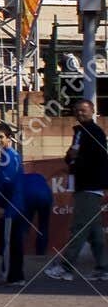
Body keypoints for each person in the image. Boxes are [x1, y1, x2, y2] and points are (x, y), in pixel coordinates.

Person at [52, 97, 108, 281]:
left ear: (92, 111)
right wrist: (72, 157)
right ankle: (103, 268)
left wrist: (78, 158)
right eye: (76, 110)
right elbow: (71, 157)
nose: (79, 113)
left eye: (83, 110)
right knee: (95, 232)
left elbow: (99, 159)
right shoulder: (80, 132)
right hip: (84, 185)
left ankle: (65, 268)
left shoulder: (95, 132)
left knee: (79, 227)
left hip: (90, 187)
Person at [0, 123, 28, 287]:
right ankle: (17, 276)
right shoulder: (12, 155)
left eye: (1, 137)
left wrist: (3, 206)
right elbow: (5, 176)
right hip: (16, 206)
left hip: (11, 208)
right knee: (14, 243)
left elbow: (9, 183)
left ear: (9, 138)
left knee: (7, 244)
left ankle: (9, 277)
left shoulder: (8, 156)